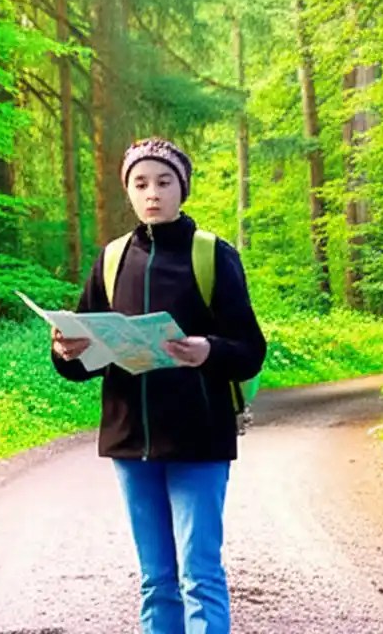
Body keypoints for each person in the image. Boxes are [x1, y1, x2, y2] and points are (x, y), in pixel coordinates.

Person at [51, 137, 267, 634]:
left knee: (200, 576)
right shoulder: (111, 259)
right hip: (131, 442)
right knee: (155, 581)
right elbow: (83, 357)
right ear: (128, 191)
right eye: (140, 183)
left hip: (199, 440)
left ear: (182, 189)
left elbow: (250, 349)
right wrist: (67, 352)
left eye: (164, 182)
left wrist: (209, 351)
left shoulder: (213, 255)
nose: (152, 194)